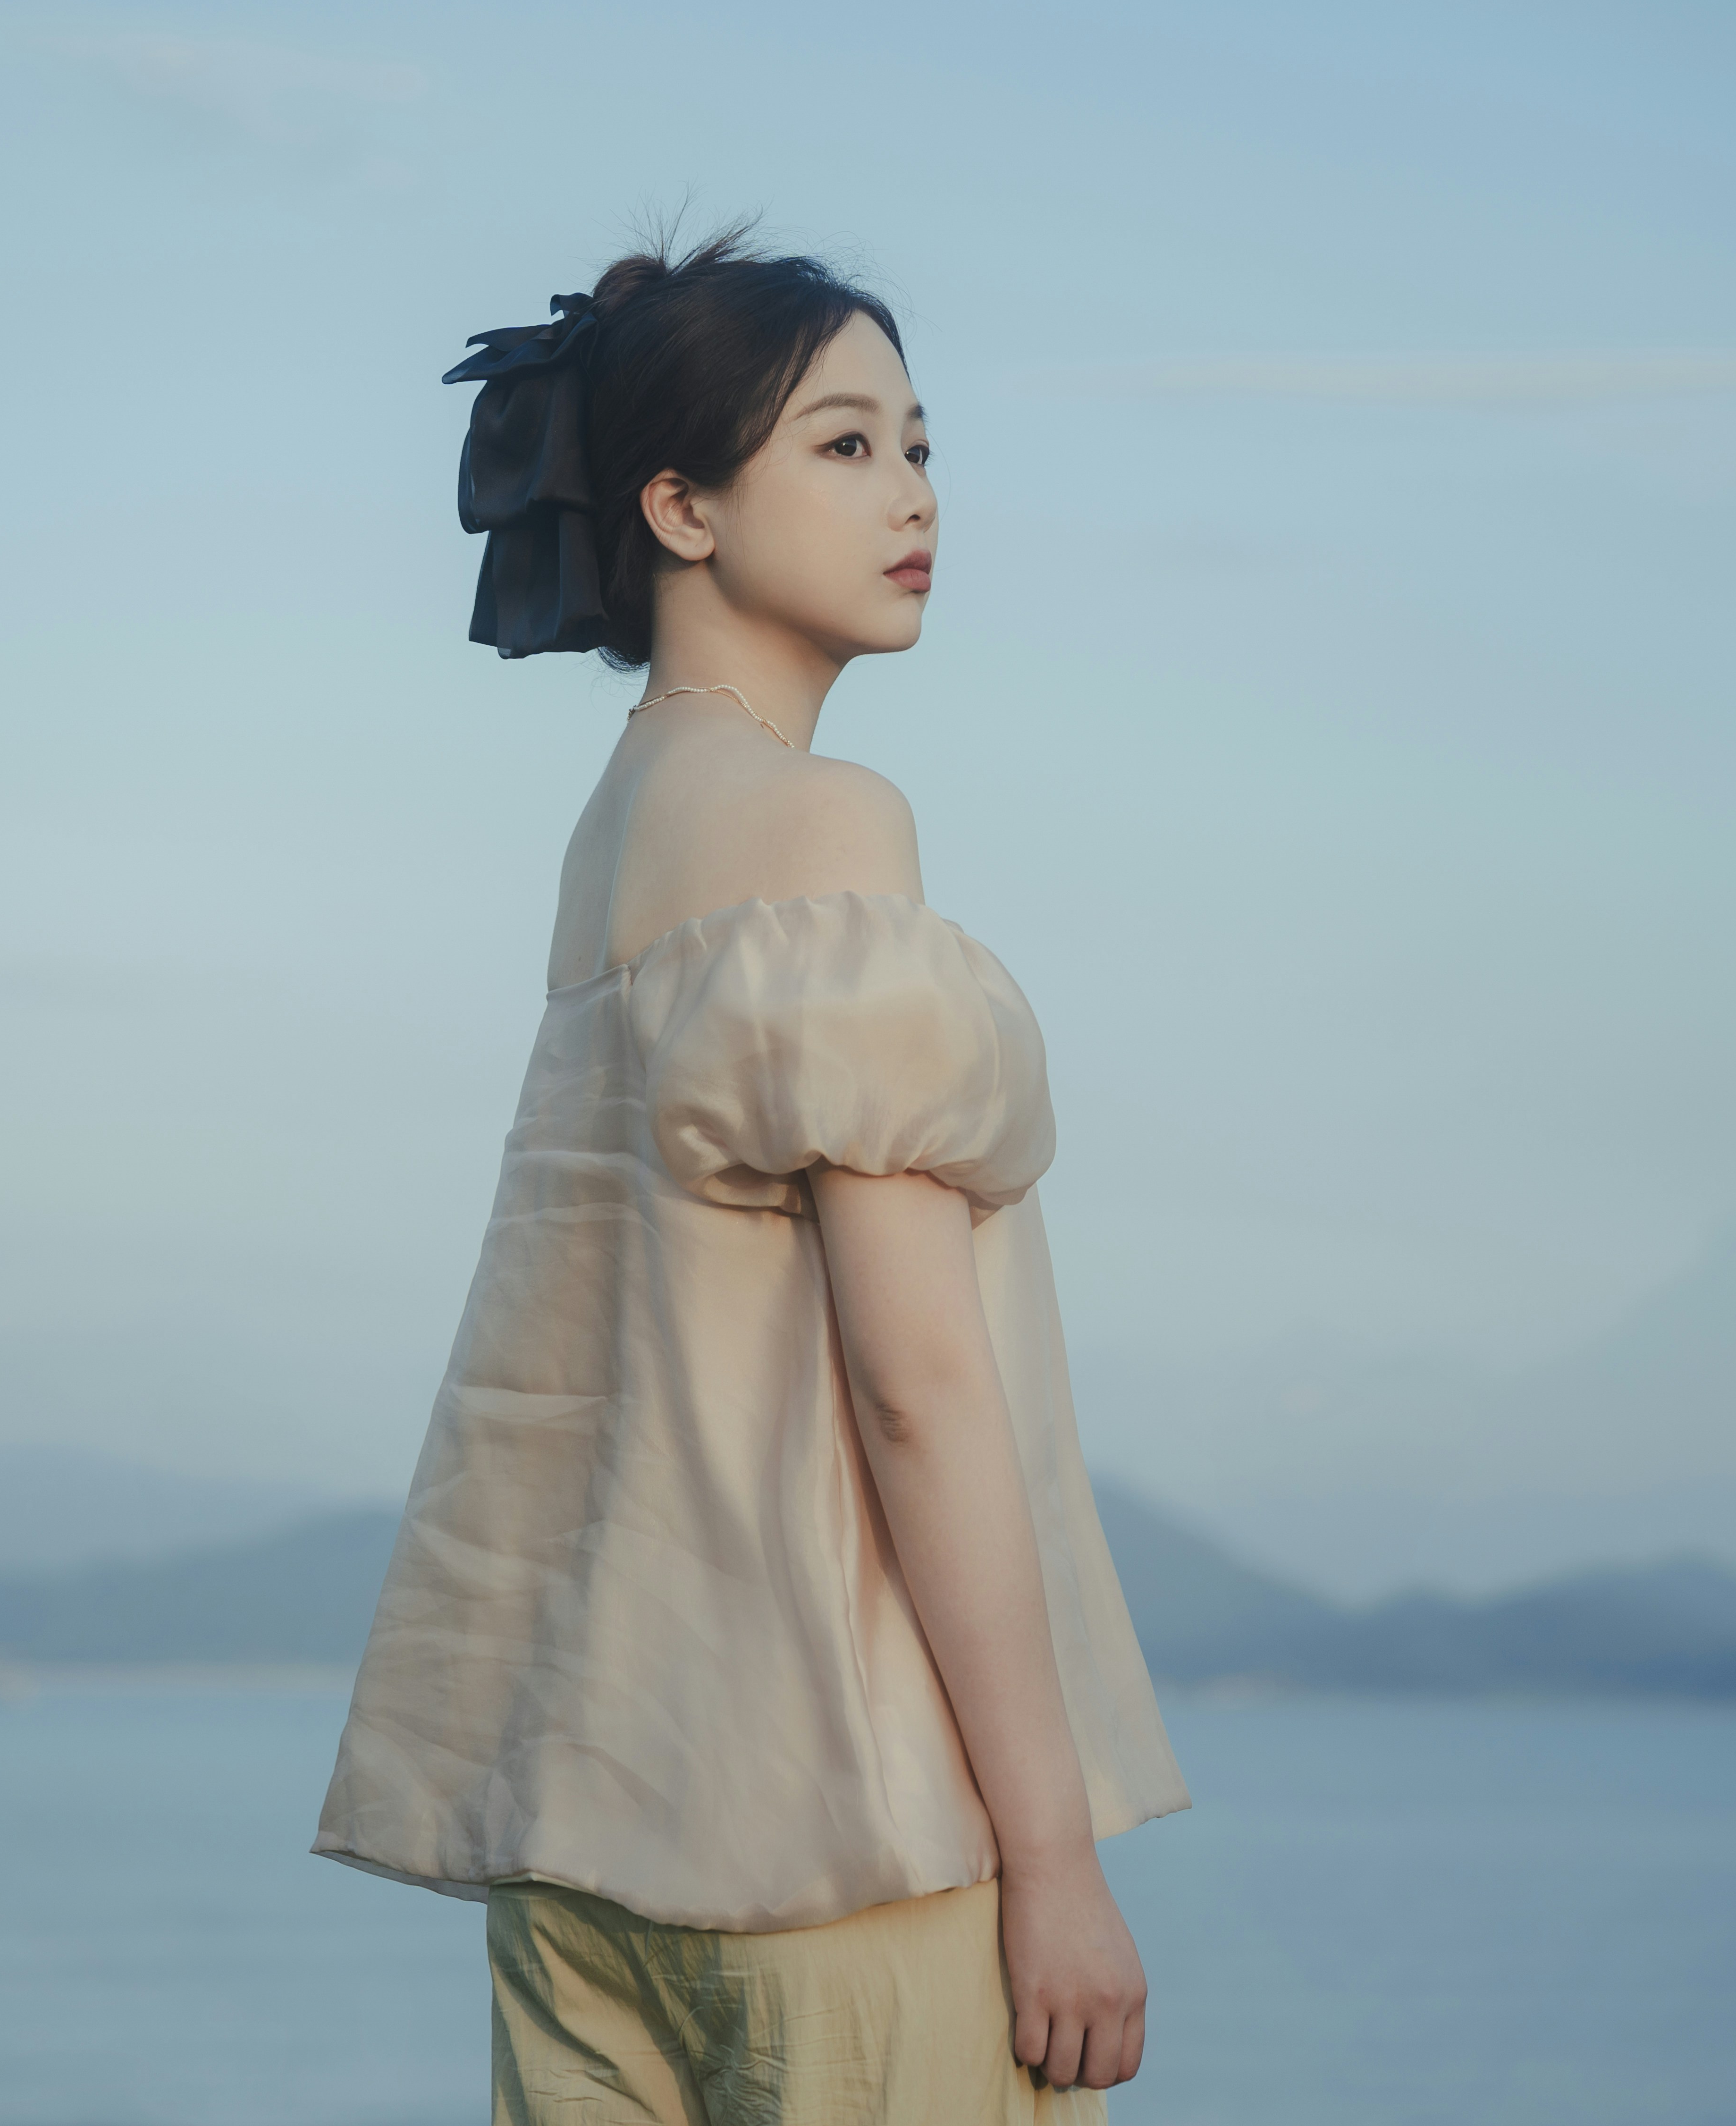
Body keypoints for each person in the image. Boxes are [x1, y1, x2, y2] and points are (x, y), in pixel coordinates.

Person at [312, 231, 1188, 2123]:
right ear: (681, 507)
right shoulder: (823, 822)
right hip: (845, 1847)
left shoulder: (615, 834)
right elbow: (916, 1380)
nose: (917, 497)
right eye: (846, 445)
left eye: (921, 446)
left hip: (588, 1848)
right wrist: (1054, 1861)